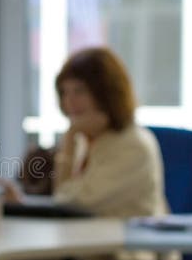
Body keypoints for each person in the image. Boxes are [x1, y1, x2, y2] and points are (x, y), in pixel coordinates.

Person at [51, 46, 166, 219]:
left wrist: (68, 143)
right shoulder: (86, 141)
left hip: (127, 244)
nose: (69, 101)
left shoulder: (133, 146)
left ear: (107, 94)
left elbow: (72, 202)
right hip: (90, 239)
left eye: (79, 91)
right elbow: (62, 197)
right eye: (64, 92)